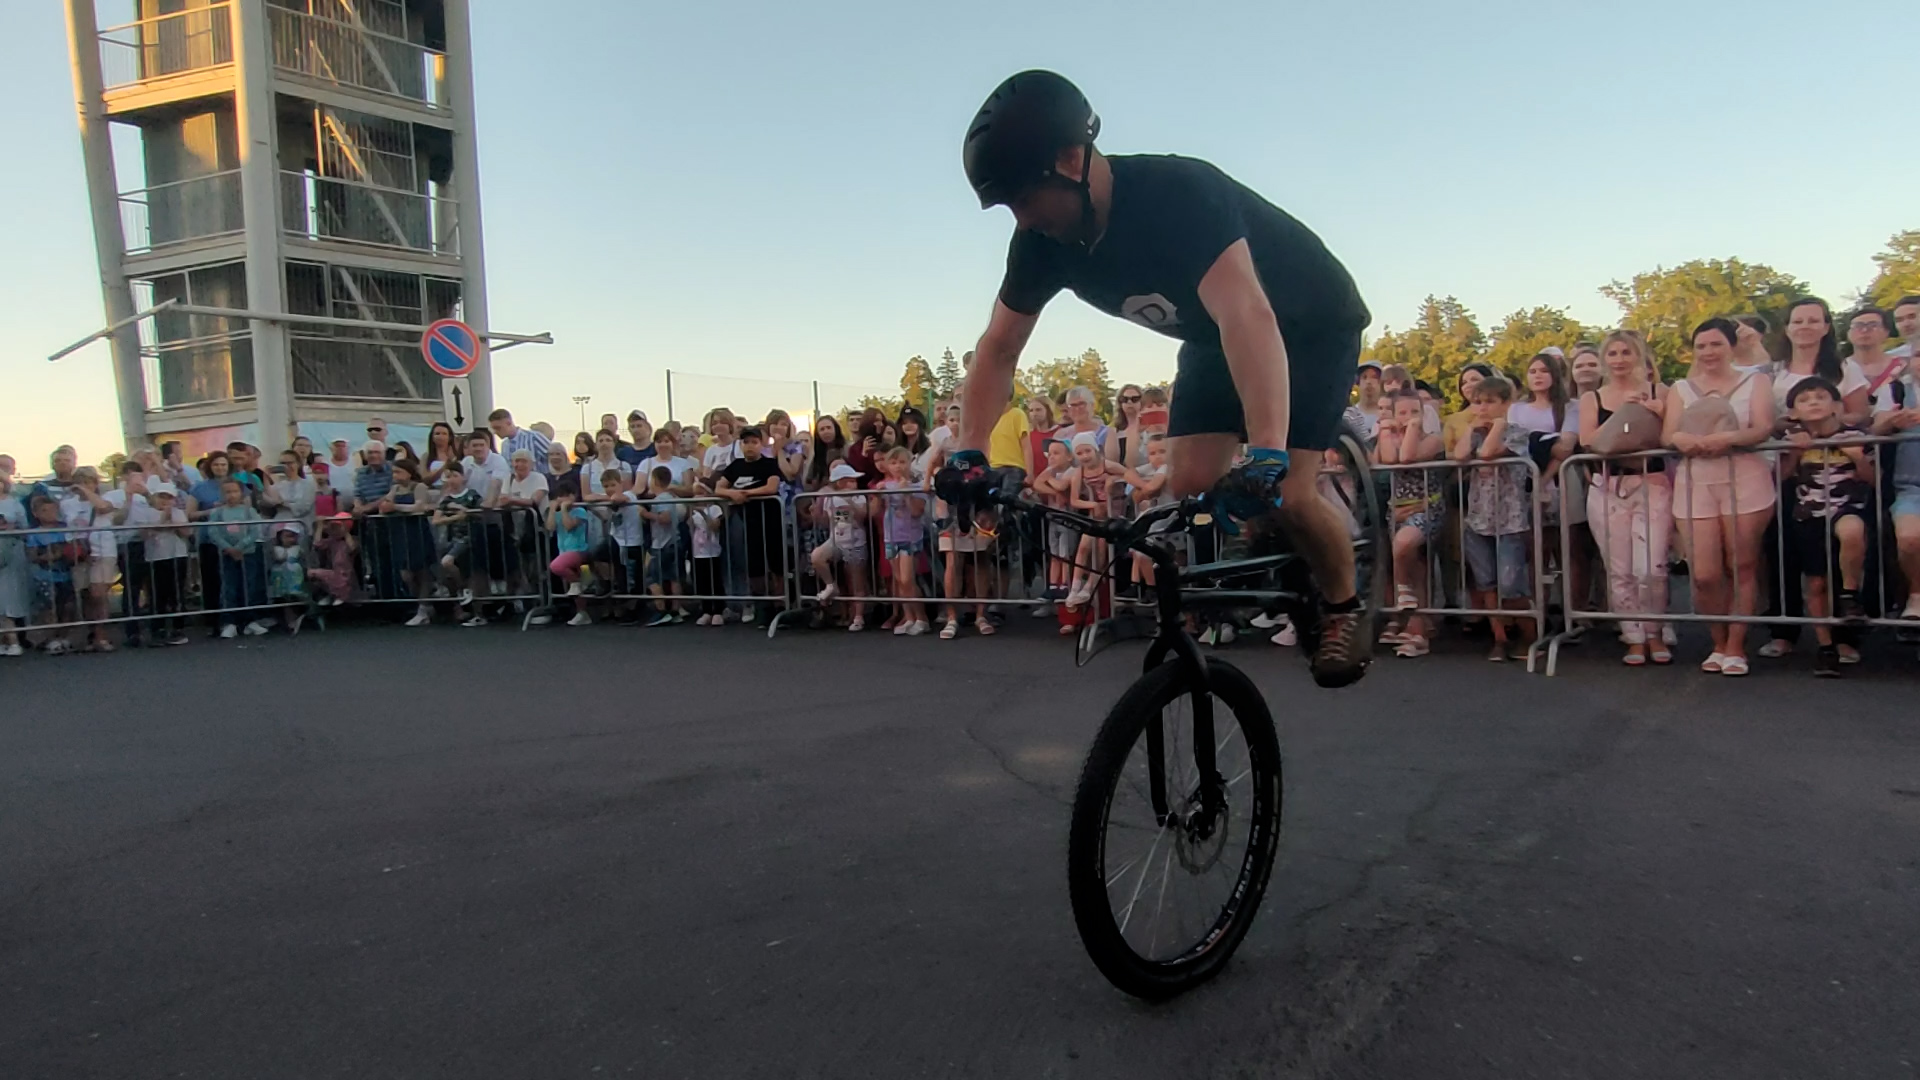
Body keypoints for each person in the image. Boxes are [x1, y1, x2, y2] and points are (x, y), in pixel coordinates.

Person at [946, 70, 1372, 684]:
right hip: (1212, 335)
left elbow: (1248, 314)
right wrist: (968, 453)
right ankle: (1270, 524)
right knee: (1190, 479)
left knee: (1291, 492)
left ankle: (1342, 607)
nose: (1022, 217)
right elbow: (997, 349)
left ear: (1071, 159)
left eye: (1023, 197)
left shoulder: (1179, 195)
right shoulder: (1040, 243)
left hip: (1308, 325)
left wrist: (1269, 455)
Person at [1664, 317, 1776, 676]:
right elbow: (1669, 434)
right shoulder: (1681, 388)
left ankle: (1735, 646)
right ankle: (1716, 640)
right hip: (1695, 480)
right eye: (1701, 346)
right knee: (1705, 574)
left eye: (1715, 344)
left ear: (1731, 346)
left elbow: (1762, 427)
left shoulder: (1755, 380)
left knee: (1741, 564)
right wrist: (1681, 440)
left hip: (1744, 476)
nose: (1708, 352)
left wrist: (1726, 439)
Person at [1579, 330, 1675, 665]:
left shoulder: (1659, 391)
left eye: (1626, 353)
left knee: (1650, 566)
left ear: (1639, 356)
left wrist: (1656, 411)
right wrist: (1623, 420)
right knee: (1619, 568)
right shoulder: (1593, 398)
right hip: (1608, 486)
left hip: (1652, 483)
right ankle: (1633, 635)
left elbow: (1671, 437)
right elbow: (1588, 439)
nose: (1619, 360)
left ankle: (1655, 631)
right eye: (1613, 353)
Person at [1780, 378, 1875, 676]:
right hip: (1808, 514)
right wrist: (1794, 453)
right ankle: (1825, 646)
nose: (1813, 403)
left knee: (1851, 532)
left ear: (1836, 405)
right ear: (1794, 411)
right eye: (1805, 399)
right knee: (1817, 583)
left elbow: (1874, 479)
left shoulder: (1854, 435)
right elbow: (1781, 477)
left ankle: (1849, 596)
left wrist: (1858, 458)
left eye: (1820, 397)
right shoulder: (1792, 437)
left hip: (1845, 506)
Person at [1450, 374, 1533, 661]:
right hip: (1478, 518)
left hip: (1509, 519)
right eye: (1477, 403)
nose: (1482, 408)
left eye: (1489, 403)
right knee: (1485, 581)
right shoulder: (1474, 432)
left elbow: (1487, 453)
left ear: (1506, 403)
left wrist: (1497, 425)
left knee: (1511, 583)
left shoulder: (1517, 433)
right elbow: (1461, 456)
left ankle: (1529, 634)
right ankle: (1499, 637)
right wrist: (1471, 429)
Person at [1374, 389, 1446, 657]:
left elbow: (1406, 458)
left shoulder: (1434, 440)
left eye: (1414, 412)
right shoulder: (1388, 438)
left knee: (1405, 547)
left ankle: (1405, 596)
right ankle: (1417, 628)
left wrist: (1413, 429)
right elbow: (1388, 459)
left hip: (1428, 506)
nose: (1408, 417)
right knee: (1415, 567)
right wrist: (1385, 432)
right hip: (1398, 510)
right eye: (1402, 413)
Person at [715, 426, 786, 625]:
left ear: (761, 444)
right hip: (747, 523)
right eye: (746, 442)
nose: (750, 446)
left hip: (770, 519)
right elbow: (719, 487)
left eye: (754, 442)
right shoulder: (735, 466)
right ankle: (763, 604)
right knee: (754, 566)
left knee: (776, 565)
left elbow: (771, 487)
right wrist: (732, 494)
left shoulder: (770, 464)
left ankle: (780, 605)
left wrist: (746, 494)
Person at [872, 447, 930, 635]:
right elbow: (873, 512)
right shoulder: (885, 485)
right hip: (891, 536)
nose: (898, 467)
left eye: (902, 462)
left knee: (908, 579)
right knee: (899, 580)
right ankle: (909, 617)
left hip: (910, 537)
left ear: (909, 463)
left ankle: (922, 618)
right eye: (894, 463)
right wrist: (877, 496)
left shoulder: (917, 485)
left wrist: (906, 493)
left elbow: (916, 511)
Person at [809, 462, 871, 630]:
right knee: (817, 556)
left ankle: (858, 617)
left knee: (856, 581)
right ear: (840, 483)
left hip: (856, 542)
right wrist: (816, 514)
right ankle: (831, 585)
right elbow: (829, 521)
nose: (853, 484)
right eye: (849, 481)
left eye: (854, 481)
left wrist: (849, 502)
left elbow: (861, 518)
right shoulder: (831, 498)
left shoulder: (860, 496)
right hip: (836, 540)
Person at [206, 477, 271, 638]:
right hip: (227, 555)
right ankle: (229, 622)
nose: (231, 495)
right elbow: (213, 532)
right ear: (221, 494)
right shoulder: (217, 513)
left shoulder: (249, 511)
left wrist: (240, 547)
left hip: (247, 553)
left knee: (249, 586)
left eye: (235, 491)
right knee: (229, 587)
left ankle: (250, 620)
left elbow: (255, 530)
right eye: (227, 492)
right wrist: (228, 547)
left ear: (241, 493)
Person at [428, 464, 489, 627]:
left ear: (463, 477)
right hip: (453, 539)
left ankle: (478, 611)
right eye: (449, 476)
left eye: (455, 475)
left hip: (471, 538)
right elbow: (436, 519)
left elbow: (480, 513)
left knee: (468, 572)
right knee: (447, 567)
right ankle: (462, 590)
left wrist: (463, 510)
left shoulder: (472, 495)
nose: (452, 480)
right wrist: (455, 517)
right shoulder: (446, 499)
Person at [25, 495, 78, 654]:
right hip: (45, 576)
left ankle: (63, 636)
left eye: (53, 509)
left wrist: (63, 552)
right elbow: (33, 556)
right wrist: (51, 554)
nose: (50, 513)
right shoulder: (34, 533)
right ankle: (51, 638)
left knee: (68, 606)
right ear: (36, 514)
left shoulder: (64, 528)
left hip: (65, 574)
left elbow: (72, 549)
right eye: (44, 511)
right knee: (50, 608)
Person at [639, 465, 688, 626]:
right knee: (673, 577)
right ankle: (675, 609)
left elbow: (665, 518)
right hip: (674, 541)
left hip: (663, 543)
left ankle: (661, 610)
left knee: (651, 577)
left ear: (655, 481)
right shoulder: (671, 497)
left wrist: (647, 514)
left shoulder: (661, 499)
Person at [547, 489, 596, 626]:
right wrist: (552, 510)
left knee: (556, 567)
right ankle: (582, 613)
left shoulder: (580, 511)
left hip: (579, 550)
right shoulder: (557, 514)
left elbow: (569, 526)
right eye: (559, 496)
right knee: (577, 584)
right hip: (564, 551)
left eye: (565, 496)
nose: (561, 499)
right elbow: (550, 527)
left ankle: (579, 583)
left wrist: (563, 509)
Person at [0, 474, 34, 656]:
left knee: (9, 597)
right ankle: (4, 640)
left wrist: (11, 528)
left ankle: (14, 639)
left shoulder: (14, 503)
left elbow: (25, 528)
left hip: (12, 553)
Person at [688, 498, 727, 625]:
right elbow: (690, 527)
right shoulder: (694, 511)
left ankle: (718, 611)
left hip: (712, 551)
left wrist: (704, 514)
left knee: (715, 580)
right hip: (698, 551)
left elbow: (714, 527)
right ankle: (706, 610)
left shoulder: (715, 509)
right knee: (702, 581)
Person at [489, 408, 553, 476]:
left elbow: (555, 457)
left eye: (498, 428)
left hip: (538, 483)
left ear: (509, 423)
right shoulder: (504, 445)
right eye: (493, 429)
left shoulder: (533, 437)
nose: (495, 432)